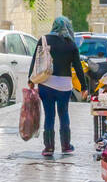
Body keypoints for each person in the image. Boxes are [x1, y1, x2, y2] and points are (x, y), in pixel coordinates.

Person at [29, 15, 88, 158]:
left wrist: (30, 80)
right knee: (64, 114)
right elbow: (78, 67)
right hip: (64, 86)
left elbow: (35, 61)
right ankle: (66, 146)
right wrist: (84, 87)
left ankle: (48, 148)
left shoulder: (44, 40)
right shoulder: (71, 44)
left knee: (49, 115)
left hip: (46, 83)